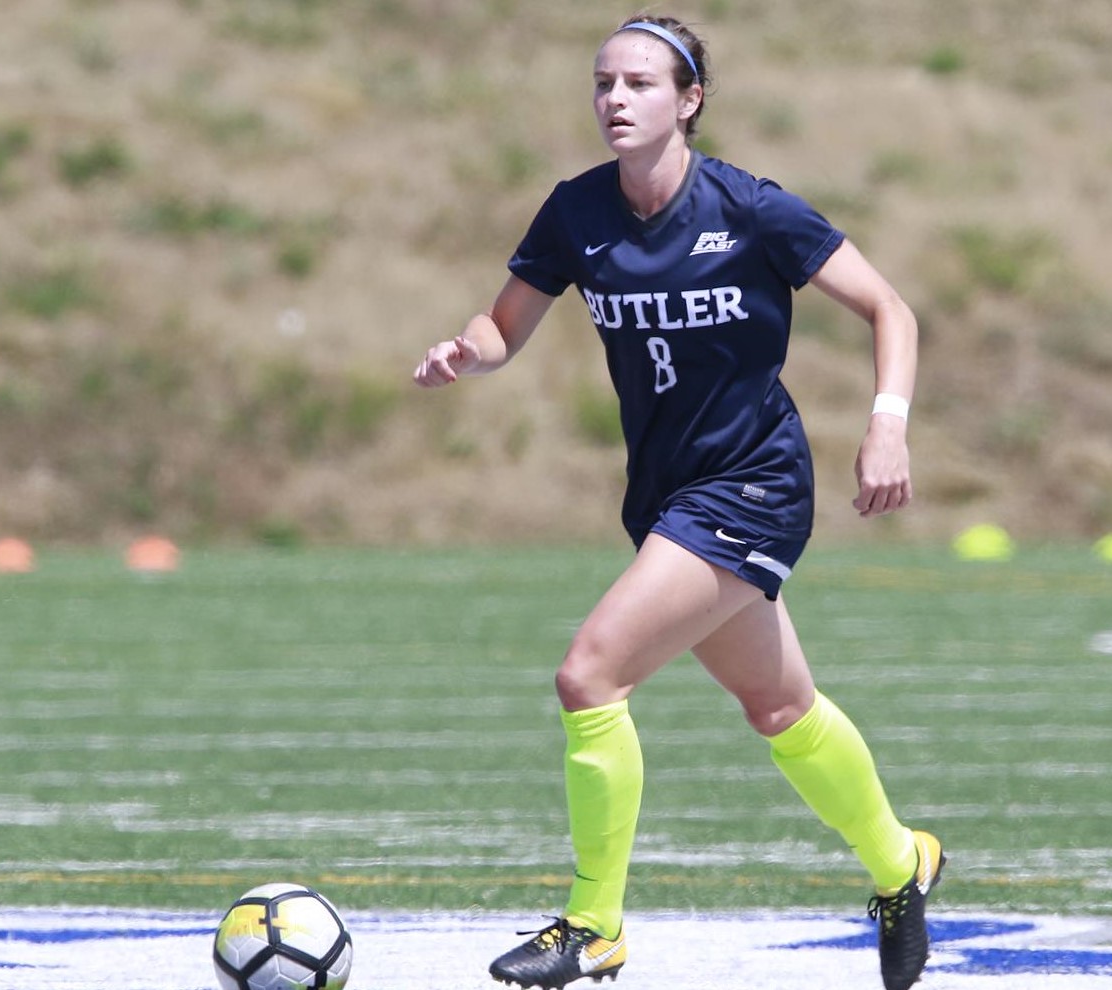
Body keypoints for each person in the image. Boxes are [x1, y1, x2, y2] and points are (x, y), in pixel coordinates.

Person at [413, 14, 942, 990]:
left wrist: (886, 421)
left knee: (588, 676)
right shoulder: (576, 212)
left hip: (752, 483)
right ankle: (900, 863)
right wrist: (466, 353)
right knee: (779, 707)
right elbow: (504, 324)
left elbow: (888, 309)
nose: (615, 99)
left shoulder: (746, 207)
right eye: (603, 83)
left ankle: (593, 925)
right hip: (664, 493)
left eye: (640, 83)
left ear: (689, 100)